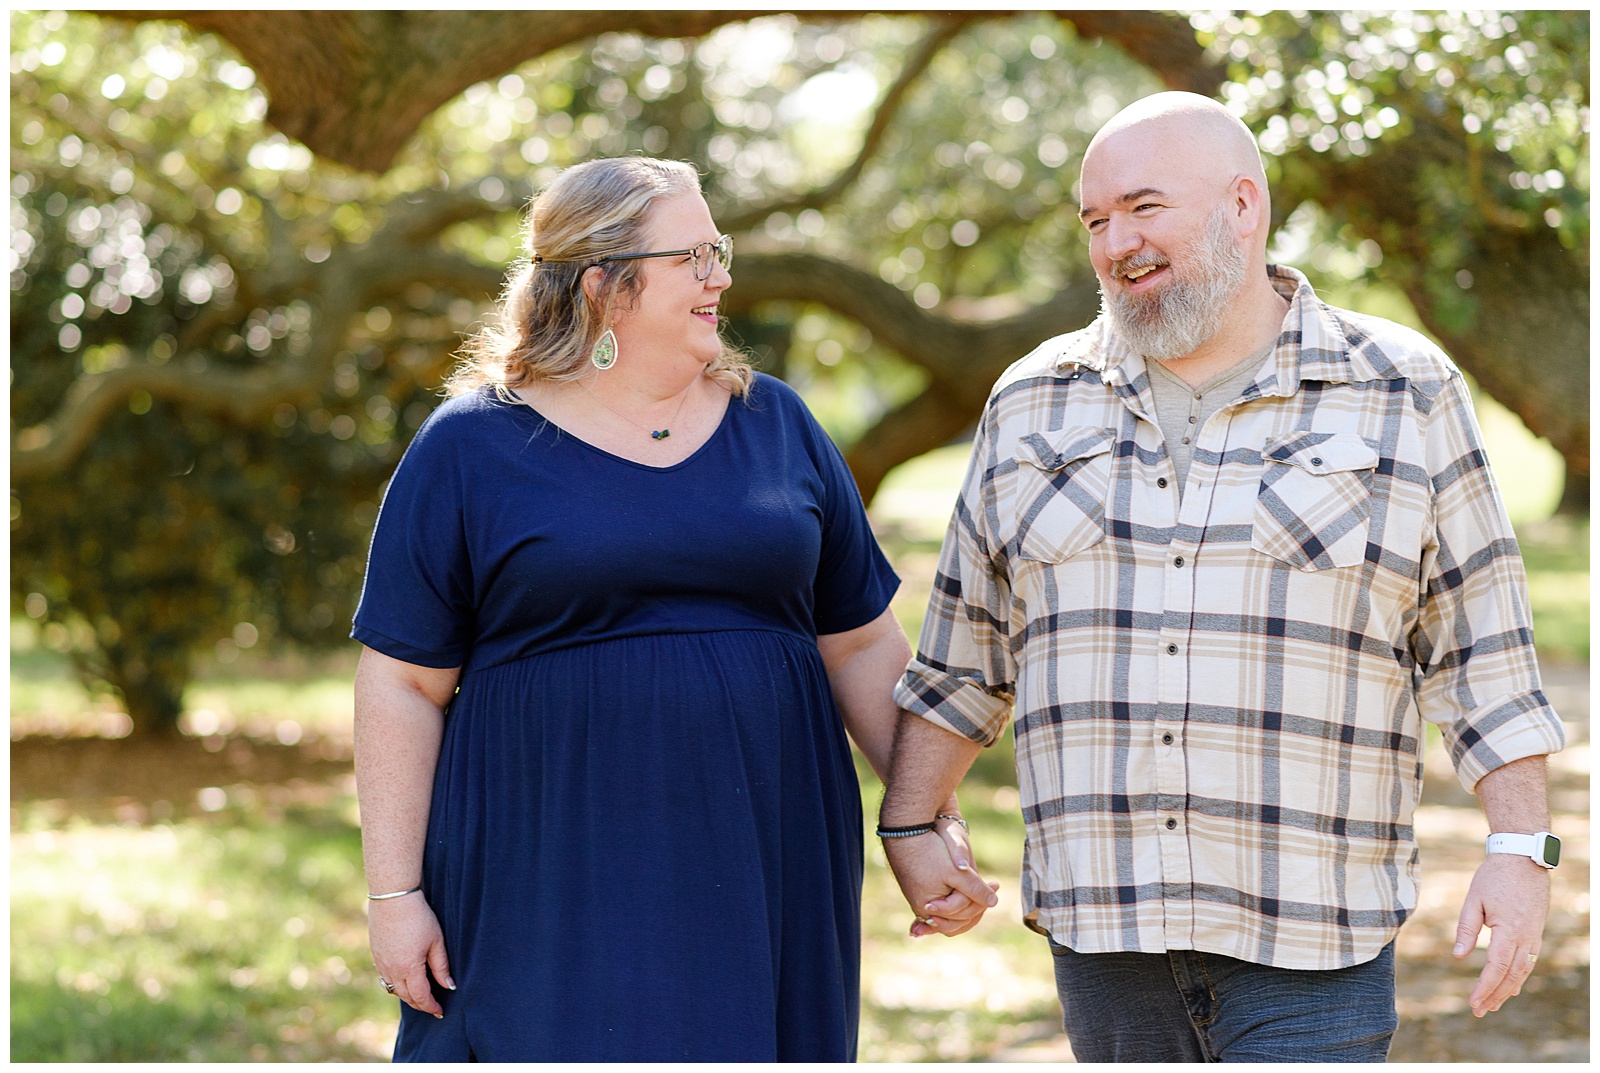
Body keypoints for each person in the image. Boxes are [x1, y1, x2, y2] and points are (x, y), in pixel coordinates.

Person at [878, 92, 1566, 1062]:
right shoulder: (1033, 400)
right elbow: (962, 656)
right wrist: (909, 821)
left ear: (1243, 205)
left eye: (1144, 206)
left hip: (1311, 936)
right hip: (1103, 930)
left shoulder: (1402, 389)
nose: (1117, 241)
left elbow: (1482, 655)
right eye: (1095, 219)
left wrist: (1516, 848)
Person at [350, 156, 974, 1062]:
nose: (723, 275)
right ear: (604, 285)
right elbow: (402, 681)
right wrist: (394, 894)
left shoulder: (780, 425)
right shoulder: (472, 446)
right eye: (697, 256)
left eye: (718, 250)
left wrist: (925, 820)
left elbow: (862, 646)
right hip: (549, 870)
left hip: (769, 860)